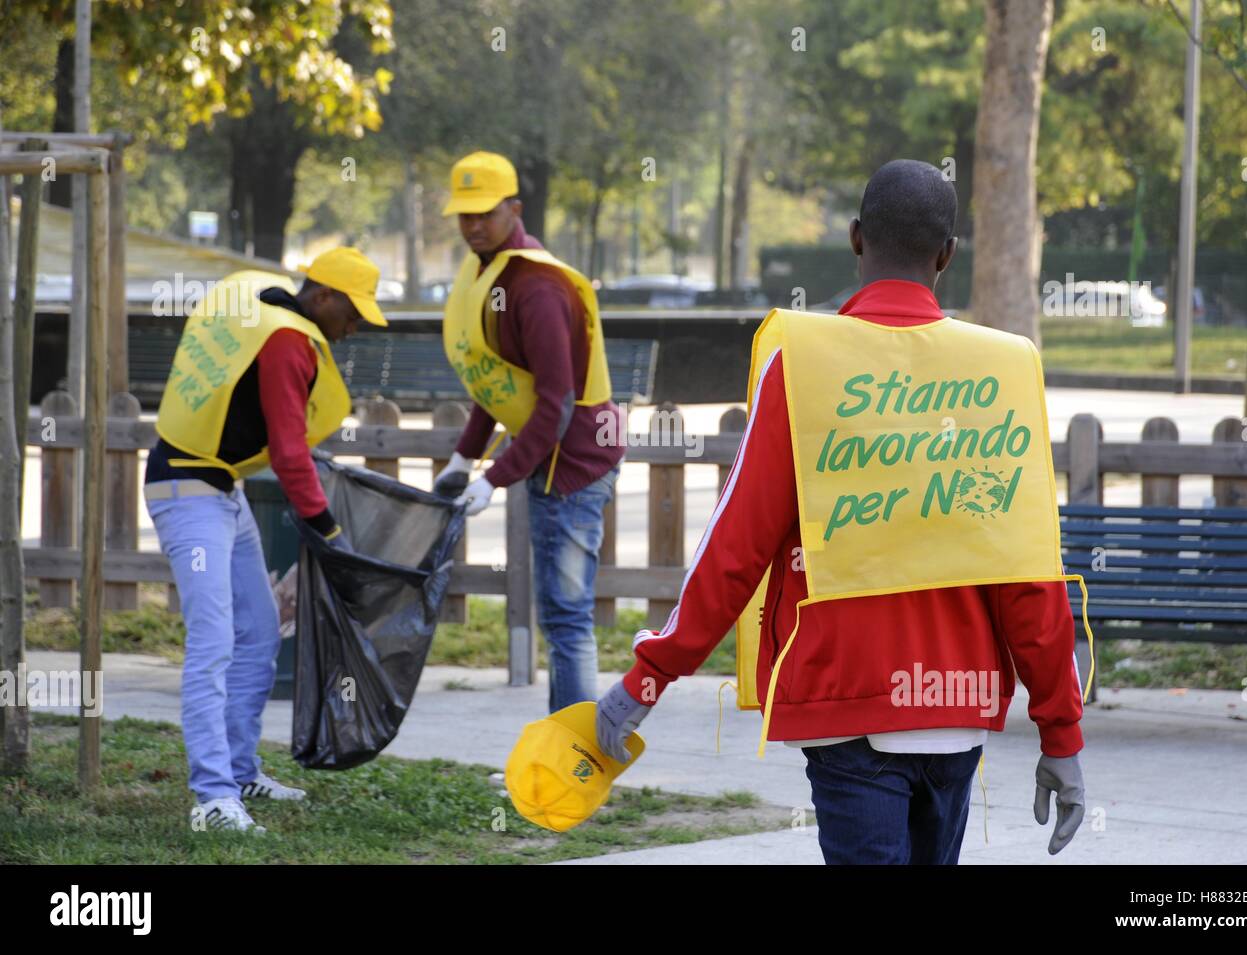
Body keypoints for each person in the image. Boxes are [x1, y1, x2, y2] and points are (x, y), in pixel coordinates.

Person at [595, 160, 1087, 865]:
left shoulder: (803, 362)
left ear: (856, 239)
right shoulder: (1001, 372)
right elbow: (1029, 578)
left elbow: (735, 549)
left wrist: (649, 676)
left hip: (845, 703)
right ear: (947, 255)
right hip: (956, 711)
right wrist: (1060, 733)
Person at [145, 248, 387, 832]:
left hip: (222, 490)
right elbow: (288, 450)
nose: (353, 331)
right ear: (323, 296)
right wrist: (326, 528)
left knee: (257, 635)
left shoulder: (274, 314)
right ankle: (212, 798)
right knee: (214, 642)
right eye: (353, 315)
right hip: (187, 492)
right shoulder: (286, 340)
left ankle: (239, 768)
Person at [434, 151, 623, 712]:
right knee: (561, 616)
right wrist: (463, 459)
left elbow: (555, 406)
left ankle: (573, 766)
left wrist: (494, 478)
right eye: (463, 215)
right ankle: (562, 754)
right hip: (549, 456)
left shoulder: (537, 288)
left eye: (483, 214)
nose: (472, 226)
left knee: (567, 618)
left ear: (514, 208)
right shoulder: (487, 270)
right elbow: (495, 382)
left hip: (576, 463)